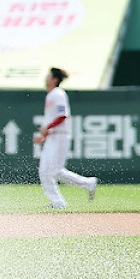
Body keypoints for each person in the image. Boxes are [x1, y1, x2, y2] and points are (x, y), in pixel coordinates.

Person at [33, 67, 98, 209]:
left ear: (55, 79)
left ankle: (63, 199)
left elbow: (63, 115)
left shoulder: (58, 94)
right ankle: (81, 188)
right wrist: (44, 135)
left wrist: (47, 128)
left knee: (53, 171)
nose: (46, 79)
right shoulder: (51, 95)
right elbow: (54, 118)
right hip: (53, 137)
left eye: (49, 76)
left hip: (60, 136)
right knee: (47, 171)